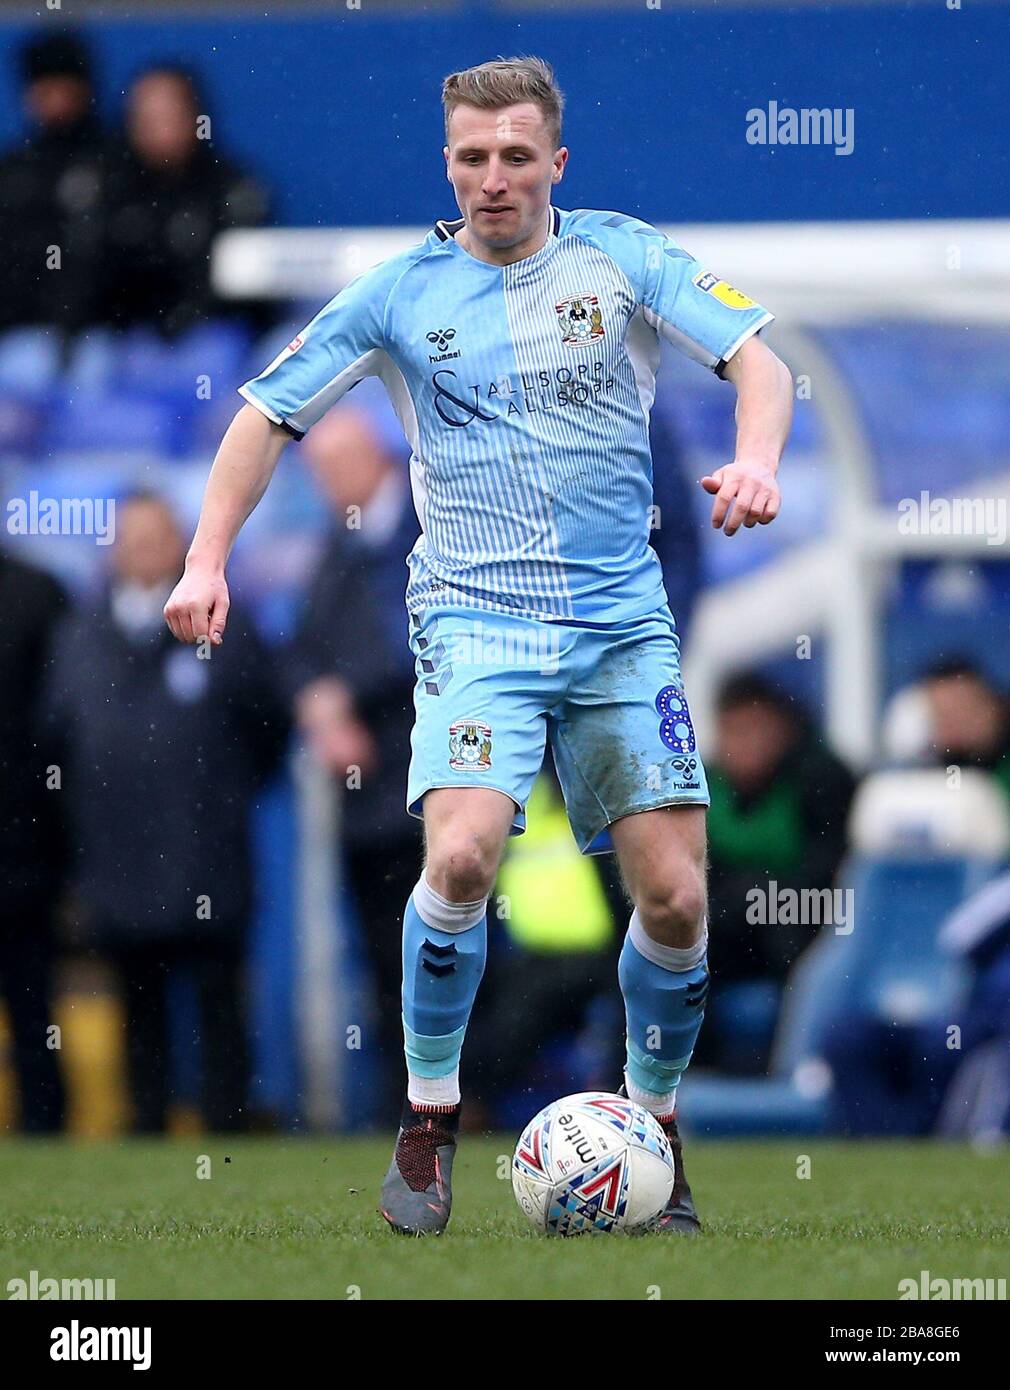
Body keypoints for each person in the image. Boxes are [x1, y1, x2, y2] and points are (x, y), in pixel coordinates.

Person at [164, 56, 793, 1234]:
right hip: (474, 625)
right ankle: (429, 1117)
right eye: (470, 157)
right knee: (457, 860)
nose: (492, 178)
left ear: (555, 161)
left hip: (619, 627)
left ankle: (651, 1124)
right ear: (445, 163)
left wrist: (754, 458)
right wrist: (204, 561)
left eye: (515, 156)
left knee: (669, 892)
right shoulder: (399, 290)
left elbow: (759, 358)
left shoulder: (622, 255)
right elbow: (262, 416)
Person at [46, 492, 289, 1131]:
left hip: (209, 855)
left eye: (158, 535)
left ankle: (229, 1131)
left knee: (219, 1002)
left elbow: (269, 730)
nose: (144, 548)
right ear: (113, 547)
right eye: (133, 536)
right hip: (115, 861)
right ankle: (145, 1124)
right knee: (138, 1004)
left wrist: (218, 798)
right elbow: (56, 741)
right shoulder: (79, 636)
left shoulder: (225, 627)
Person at [287, 384, 423, 1123]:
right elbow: (300, 650)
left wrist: (345, 690)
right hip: (367, 801)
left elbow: (435, 633)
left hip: (444, 782)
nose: (325, 483)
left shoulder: (434, 522)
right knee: (381, 956)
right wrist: (317, 700)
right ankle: (408, 1110)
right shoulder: (339, 548)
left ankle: (483, 1098)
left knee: (457, 946)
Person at [702, 673, 856, 1072]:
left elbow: (829, 872)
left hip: (804, 922)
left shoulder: (821, 781)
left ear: (782, 730)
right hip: (728, 924)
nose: (745, 745)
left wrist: (760, 893)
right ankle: (667, 1080)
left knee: (786, 928)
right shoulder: (700, 789)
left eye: (755, 730)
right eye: (733, 732)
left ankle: (792, 1075)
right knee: (671, 950)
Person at [100, 64, 271, 338]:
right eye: (145, 116)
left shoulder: (231, 189)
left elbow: (246, 287)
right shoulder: (110, 190)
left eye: (167, 115)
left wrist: (185, 313)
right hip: (125, 336)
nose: (155, 128)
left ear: (195, 116)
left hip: (212, 331)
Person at [0, 547, 70, 1131]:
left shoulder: (36, 593)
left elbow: (60, 728)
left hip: (19, 844)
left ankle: (45, 1124)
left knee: (31, 1003)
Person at [0, 30, 110, 337]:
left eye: (65, 86)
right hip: (19, 332)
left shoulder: (116, 164)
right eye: (45, 87)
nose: (56, 99)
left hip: (101, 333)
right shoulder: (13, 173)